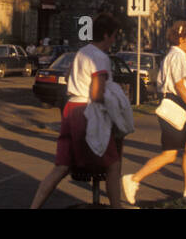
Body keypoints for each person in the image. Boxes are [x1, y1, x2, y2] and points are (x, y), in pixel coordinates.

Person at [31, 14, 125, 208]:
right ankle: (117, 206)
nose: (114, 41)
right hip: (87, 112)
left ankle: (35, 206)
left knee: (62, 166)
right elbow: (97, 93)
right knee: (113, 164)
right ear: (106, 35)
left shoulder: (82, 52)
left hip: (71, 109)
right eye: (114, 36)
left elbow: (68, 74)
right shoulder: (100, 58)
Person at [122, 20, 186, 203]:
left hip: (178, 105)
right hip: (174, 106)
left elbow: (180, 85)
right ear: (181, 39)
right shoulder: (176, 56)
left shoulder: (175, 55)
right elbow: (178, 86)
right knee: (169, 154)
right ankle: (134, 179)